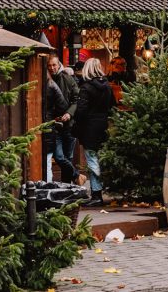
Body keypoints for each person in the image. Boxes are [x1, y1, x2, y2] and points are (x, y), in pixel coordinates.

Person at [74, 57, 116, 206]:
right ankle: (100, 191)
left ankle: (97, 194)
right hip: (103, 125)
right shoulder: (107, 86)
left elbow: (81, 111)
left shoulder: (86, 87)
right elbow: (113, 105)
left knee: (92, 159)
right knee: (100, 158)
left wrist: (76, 123)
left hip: (89, 128)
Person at [47, 56, 83, 186]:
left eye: (54, 65)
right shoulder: (46, 79)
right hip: (55, 125)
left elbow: (76, 100)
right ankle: (78, 175)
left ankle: (66, 187)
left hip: (69, 125)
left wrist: (69, 113)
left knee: (68, 158)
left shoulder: (68, 79)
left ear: (59, 65)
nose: (52, 68)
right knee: (59, 157)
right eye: (49, 66)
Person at [43, 76, 70, 182]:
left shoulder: (50, 84)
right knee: (48, 161)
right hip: (49, 123)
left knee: (49, 159)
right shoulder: (51, 84)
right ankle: (47, 188)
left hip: (44, 124)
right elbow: (63, 105)